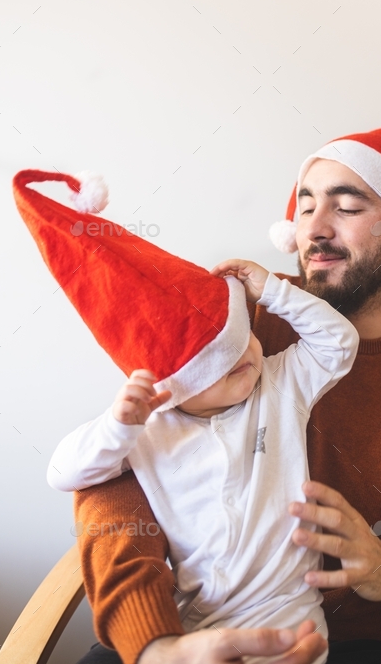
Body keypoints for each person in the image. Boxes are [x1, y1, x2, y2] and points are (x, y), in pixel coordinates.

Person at [70, 128, 381, 664]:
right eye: (304, 209)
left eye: (347, 206)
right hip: (200, 637)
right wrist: (156, 642)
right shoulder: (242, 328)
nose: (316, 230)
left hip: (372, 649)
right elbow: (118, 474)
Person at [48, 258, 359, 664]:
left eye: (241, 334)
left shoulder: (281, 385)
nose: (242, 354)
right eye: (215, 355)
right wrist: (117, 427)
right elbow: (62, 473)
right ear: (172, 381)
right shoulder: (148, 432)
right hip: (198, 624)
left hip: (289, 611)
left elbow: (339, 342)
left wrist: (272, 292)